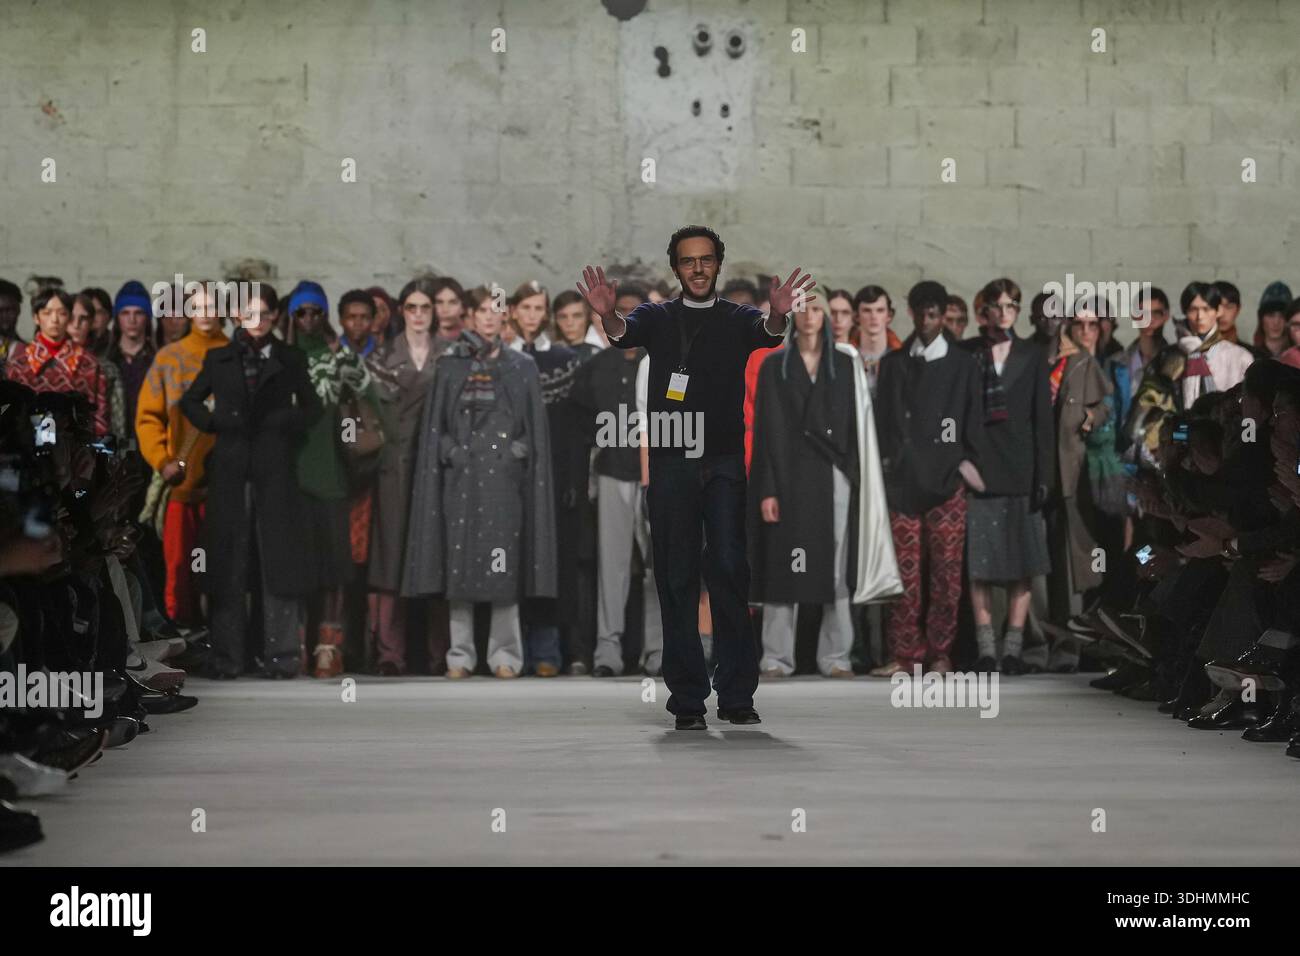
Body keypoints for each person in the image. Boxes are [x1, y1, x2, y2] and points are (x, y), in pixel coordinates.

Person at [577, 224, 810, 730]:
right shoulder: (656, 318)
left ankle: (737, 695)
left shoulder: (739, 317)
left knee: (729, 570)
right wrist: (606, 314)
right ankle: (686, 699)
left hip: (723, 461)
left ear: (719, 264)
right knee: (676, 575)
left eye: (706, 260)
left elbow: (769, 335)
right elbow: (622, 334)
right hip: (671, 463)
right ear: (676, 267)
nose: (698, 268)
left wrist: (778, 313)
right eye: (688, 261)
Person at [402, 288, 555, 680]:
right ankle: (460, 655)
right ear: (471, 316)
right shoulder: (451, 366)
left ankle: (505, 655)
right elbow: (438, 426)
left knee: (503, 563)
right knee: (461, 561)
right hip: (463, 477)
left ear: (506, 318)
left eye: (497, 311)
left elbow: (534, 429)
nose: (490, 318)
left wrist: (515, 453)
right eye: (483, 311)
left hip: (505, 480)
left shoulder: (521, 366)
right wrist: (453, 453)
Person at [749, 291, 900, 678]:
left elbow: (856, 429)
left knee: (835, 563)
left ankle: (835, 656)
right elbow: (765, 431)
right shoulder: (774, 366)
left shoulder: (845, 366)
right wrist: (766, 488)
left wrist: (854, 477)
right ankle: (776, 656)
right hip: (786, 474)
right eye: (801, 309)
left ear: (826, 316)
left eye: (816, 308)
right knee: (785, 561)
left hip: (832, 473)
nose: (809, 316)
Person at [180, 286, 323, 678]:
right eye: (250, 312)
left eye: (265, 312)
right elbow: (190, 401)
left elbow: (314, 407)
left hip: (275, 471)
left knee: (277, 562)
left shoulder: (290, 358)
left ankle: (281, 657)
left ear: (276, 316)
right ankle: (228, 658)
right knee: (228, 564)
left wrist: (284, 423)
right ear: (239, 316)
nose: (257, 320)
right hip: (229, 469)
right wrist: (215, 423)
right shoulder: (218, 357)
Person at [871, 280, 984, 677]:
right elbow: (882, 423)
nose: (926, 320)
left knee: (946, 574)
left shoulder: (963, 364)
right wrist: (889, 467)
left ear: (943, 314)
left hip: (947, 485)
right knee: (903, 574)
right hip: (902, 485)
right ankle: (905, 654)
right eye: (920, 312)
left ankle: (940, 652)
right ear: (912, 313)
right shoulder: (895, 363)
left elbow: (973, 422)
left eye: (933, 313)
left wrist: (961, 469)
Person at [959, 278, 1053, 674]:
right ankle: (985, 649)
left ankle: (1013, 650)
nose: (1003, 312)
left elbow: (1041, 421)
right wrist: (960, 462)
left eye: (1011, 305)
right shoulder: (966, 353)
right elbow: (956, 411)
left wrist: (1044, 477)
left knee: (1023, 564)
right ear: (984, 312)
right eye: (996, 306)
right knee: (980, 565)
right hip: (980, 467)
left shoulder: (1032, 354)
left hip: (1021, 468)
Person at [286, 281, 376, 678]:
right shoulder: (281, 356)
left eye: (315, 312)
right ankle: (295, 645)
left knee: (336, 569)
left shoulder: (339, 357)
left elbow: (370, 400)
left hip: (334, 475)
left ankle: (328, 648)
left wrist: (340, 351)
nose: (308, 319)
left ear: (325, 316)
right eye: (300, 312)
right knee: (298, 568)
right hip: (290, 477)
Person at [367, 278, 450, 675]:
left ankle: (439, 654)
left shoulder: (449, 354)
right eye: (412, 307)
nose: (419, 315)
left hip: (436, 465)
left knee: (436, 554)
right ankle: (389, 654)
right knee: (390, 557)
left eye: (426, 308)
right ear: (402, 311)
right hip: (395, 466)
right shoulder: (383, 356)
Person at [135, 283, 229, 626]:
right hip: (180, 482)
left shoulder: (235, 353)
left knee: (220, 566)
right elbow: (148, 418)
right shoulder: (169, 358)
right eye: (198, 306)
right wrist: (162, 460)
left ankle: (220, 640)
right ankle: (183, 639)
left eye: (212, 306)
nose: (205, 313)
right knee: (179, 565)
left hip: (226, 484)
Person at [1041, 297, 1114, 672]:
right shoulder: (1055, 360)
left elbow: (1106, 406)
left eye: (1092, 324)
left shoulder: (1087, 363)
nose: (1086, 331)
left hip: (1083, 476)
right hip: (1054, 476)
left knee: (1085, 561)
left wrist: (1089, 416)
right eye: (1079, 324)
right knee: (1060, 562)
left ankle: (1088, 647)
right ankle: (1066, 645)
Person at [4, 288, 110, 437]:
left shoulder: (88, 364)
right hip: (27, 453)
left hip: (77, 454)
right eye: (47, 313)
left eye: (62, 313)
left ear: (69, 317)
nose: (54, 320)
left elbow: (99, 420)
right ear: (36, 317)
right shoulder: (18, 366)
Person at [105, 280, 157, 445]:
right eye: (125, 313)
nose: (132, 320)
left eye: (139, 313)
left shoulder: (159, 361)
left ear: (147, 318)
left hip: (150, 447)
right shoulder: (105, 363)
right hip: (115, 447)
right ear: (117, 318)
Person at [849, 284, 903, 396]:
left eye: (880, 310)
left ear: (889, 315)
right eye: (867, 310)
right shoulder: (846, 357)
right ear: (856, 316)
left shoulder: (903, 359)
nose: (873, 316)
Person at [1253, 282, 1293, 360]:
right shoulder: (1249, 355)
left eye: (1282, 316)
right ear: (1261, 319)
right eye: (1270, 315)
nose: (1276, 322)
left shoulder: (1296, 356)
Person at [0, 280, 24, 364]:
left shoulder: (31, 353)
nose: (4, 316)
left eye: (9, 310)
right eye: (0, 311)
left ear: (18, 310)